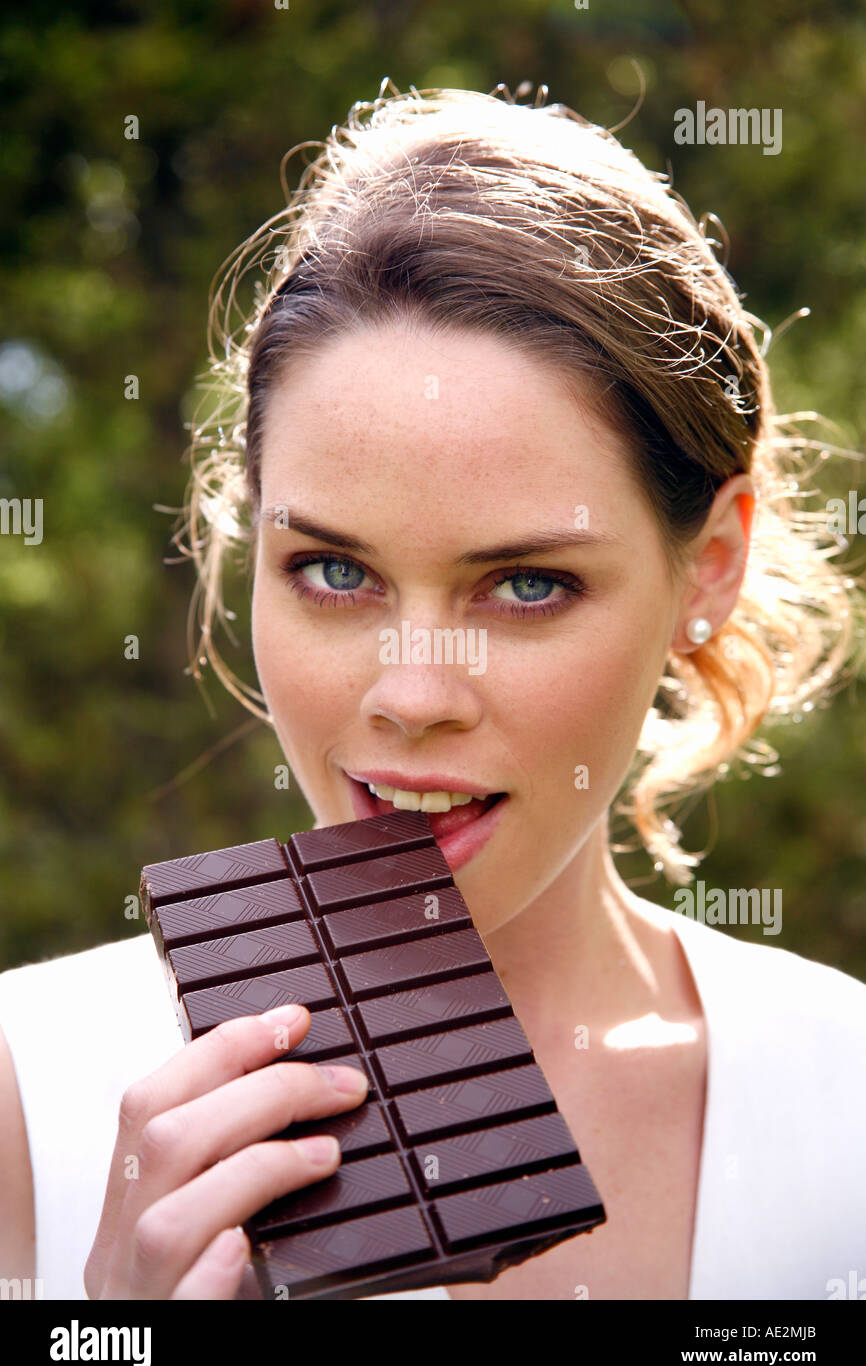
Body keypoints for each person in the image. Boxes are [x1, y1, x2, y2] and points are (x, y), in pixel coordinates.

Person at [1, 82, 864, 1303]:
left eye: (523, 585)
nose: (412, 697)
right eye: (333, 569)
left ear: (705, 567)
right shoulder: (32, 1095)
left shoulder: (848, 1109)